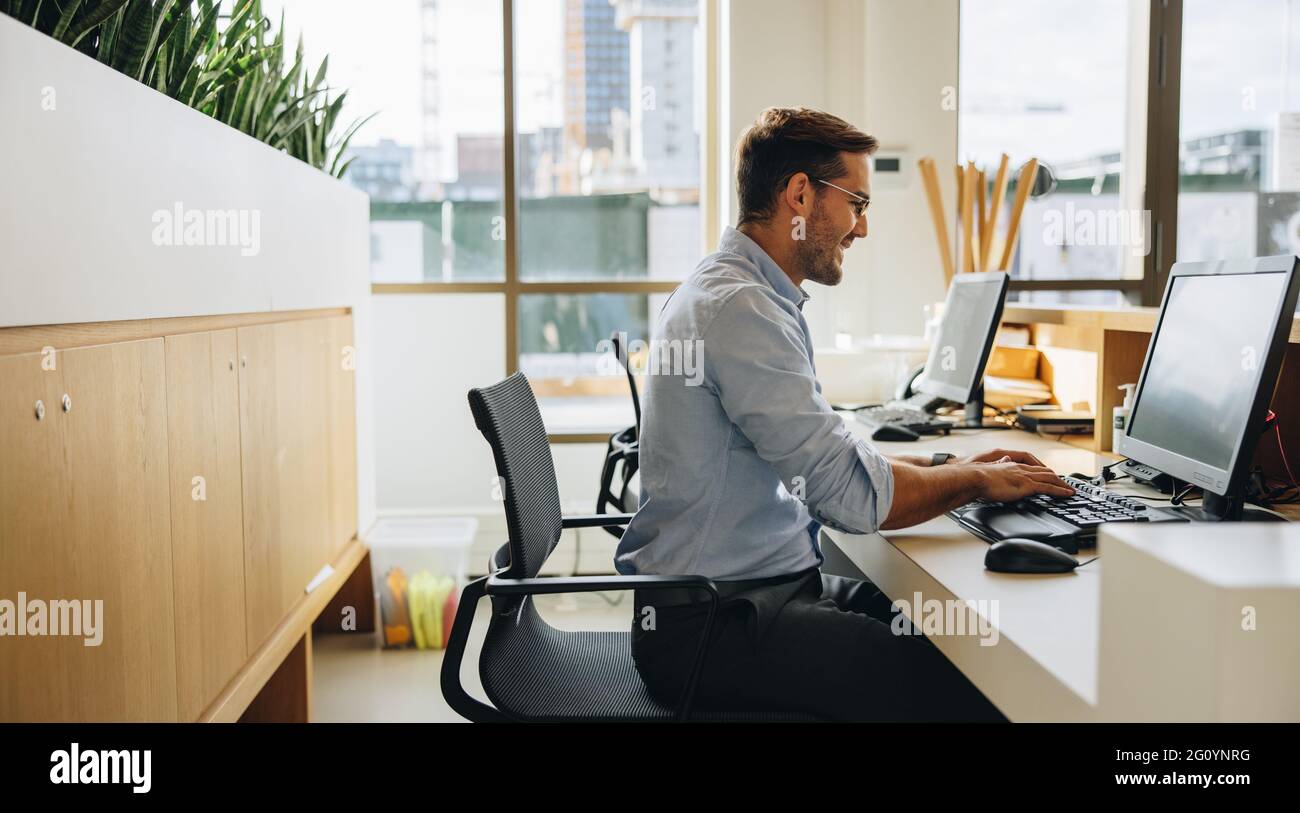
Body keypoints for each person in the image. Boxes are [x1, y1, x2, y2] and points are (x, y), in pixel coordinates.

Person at [614, 107, 1076, 722]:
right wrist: (974, 481)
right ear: (800, 195)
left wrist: (952, 464)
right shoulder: (739, 309)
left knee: (960, 636)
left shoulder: (744, 293)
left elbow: (833, 455)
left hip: (750, 596)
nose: (862, 227)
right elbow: (848, 497)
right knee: (973, 682)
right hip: (711, 627)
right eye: (857, 201)